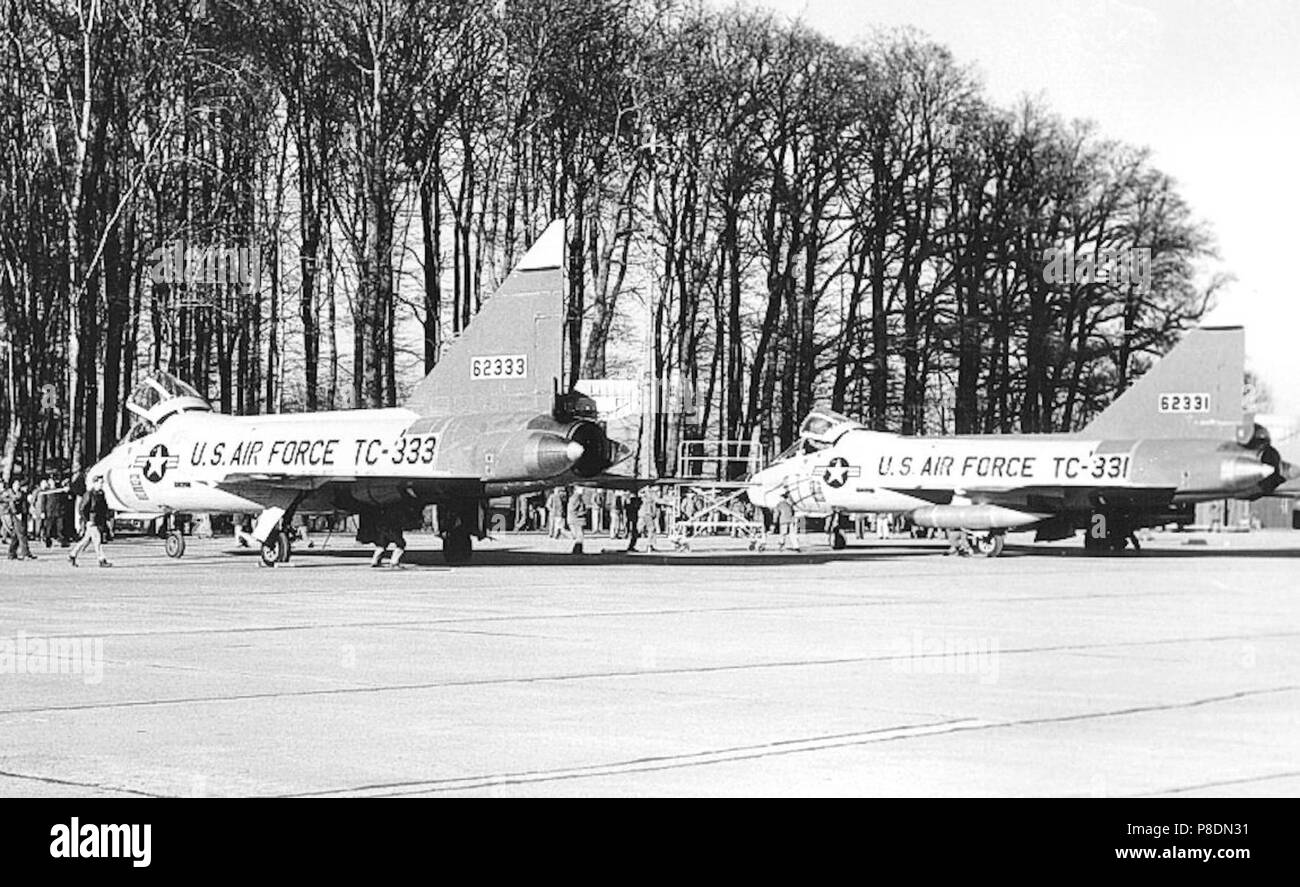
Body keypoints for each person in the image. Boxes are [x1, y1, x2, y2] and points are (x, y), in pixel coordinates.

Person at [69, 476, 111, 567]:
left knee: (86, 540)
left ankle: (73, 554)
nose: (101, 485)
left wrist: (107, 517)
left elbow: (103, 507)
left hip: (98, 520)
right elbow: (82, 508)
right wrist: (87, 520)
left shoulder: (101, 493)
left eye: (102, 483)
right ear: (95, 483)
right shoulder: (89, 494)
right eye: (100, 483)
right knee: (97, 540)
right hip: (92, 521)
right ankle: (101, 559)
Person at [3, 479, 36, 560]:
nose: (18, 486)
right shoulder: (10, 494)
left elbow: (25, 502)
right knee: (22, 534)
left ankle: (11, 553)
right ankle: (26, 553)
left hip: (23, 514)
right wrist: (16, 512)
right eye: (16, 485)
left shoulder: (22, 493)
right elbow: (9, 502)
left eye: (18, 484)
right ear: (12, 486)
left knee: (16, 535)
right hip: (17, 514)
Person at [566, 486, 588, 554]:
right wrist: (582, 513)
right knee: (579, 536)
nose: (583, 490)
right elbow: (572, 509)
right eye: (581, 489)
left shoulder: (577, 497)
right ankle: (577, 550)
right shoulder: (576, 497)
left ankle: (578, 550)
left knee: (579, 536)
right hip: (576, 520)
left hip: (576, 520)